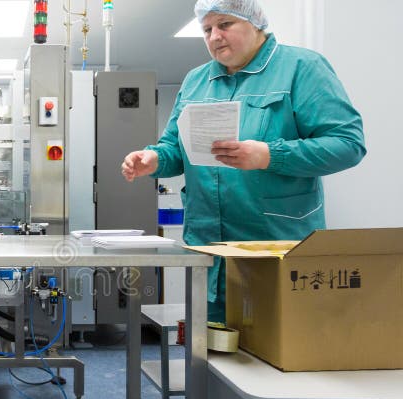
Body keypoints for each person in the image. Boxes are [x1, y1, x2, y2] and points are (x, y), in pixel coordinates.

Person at [121, 0, 366, 322]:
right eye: (206, 29)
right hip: (208, 244)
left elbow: (348, 144)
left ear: (256, 24)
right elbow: (175, 148)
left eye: (224, 25)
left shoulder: (301, 68)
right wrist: (154, 159)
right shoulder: (197, 80)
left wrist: (269, 155)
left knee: (274, 350)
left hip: (274, 243)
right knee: (208, 350)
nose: (214, 36)